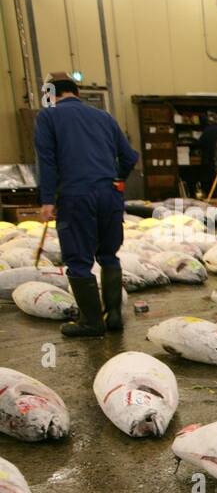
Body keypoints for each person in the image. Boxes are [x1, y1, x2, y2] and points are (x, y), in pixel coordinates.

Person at [33, 71, 139, 338]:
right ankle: (113, 315)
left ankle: (91, 323)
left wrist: (47, 200)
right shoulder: (103, 116)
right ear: (76, 92)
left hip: (76, 196)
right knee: (108, 255)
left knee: (79, 261)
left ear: (50, 94)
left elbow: (47, 162)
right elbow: (129, 156)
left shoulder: (48, 116)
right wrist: (117, 180)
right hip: (109, 195)